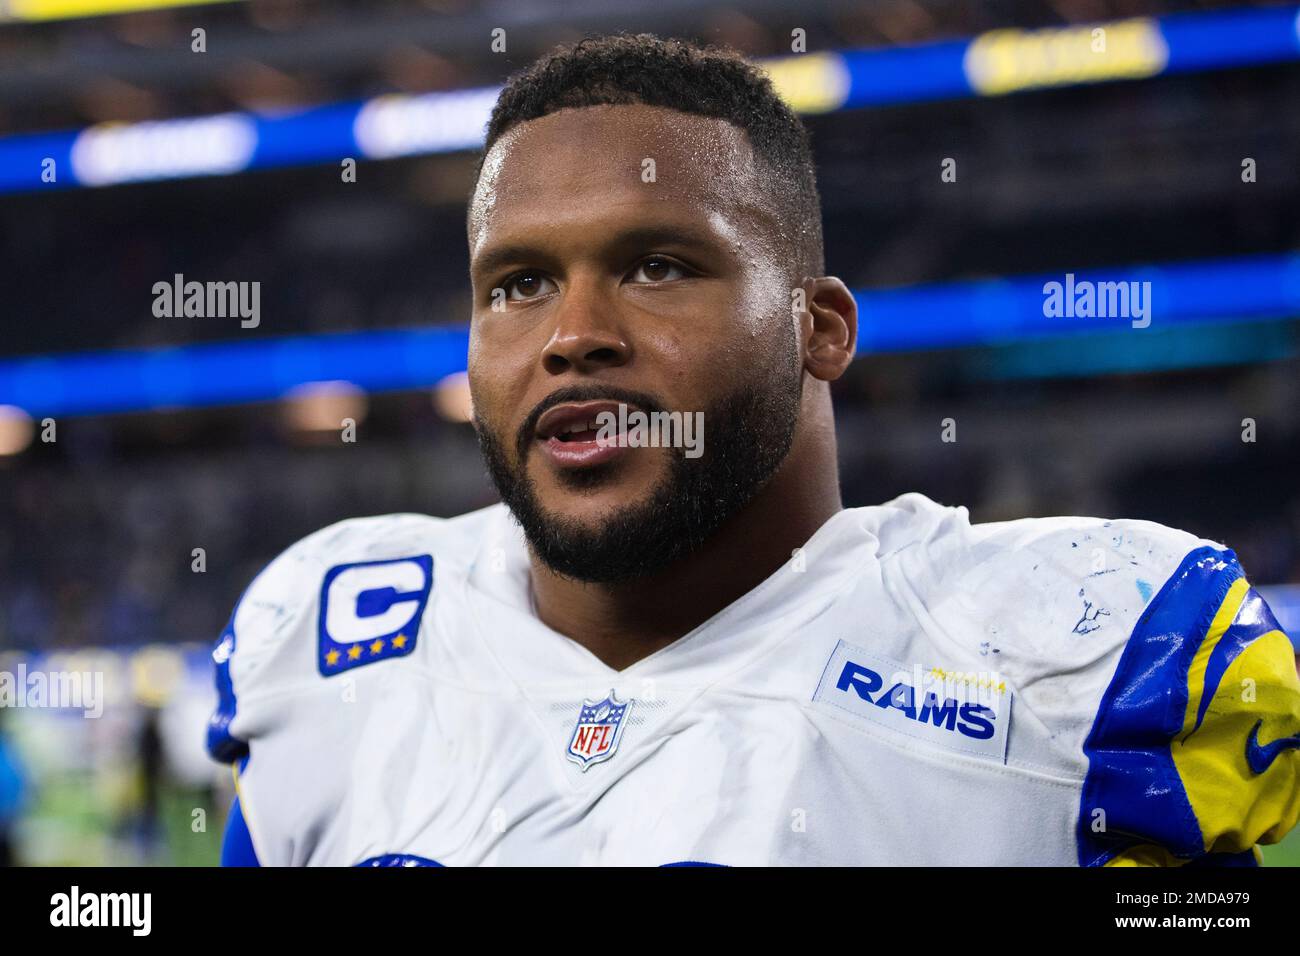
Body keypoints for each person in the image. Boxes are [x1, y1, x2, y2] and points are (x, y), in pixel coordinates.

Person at [207, 34, 1300, 866]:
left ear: (818, 327)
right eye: (518, 284)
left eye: (659, 265)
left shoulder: (1076, 663)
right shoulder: (324, 641)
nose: (573, 333)